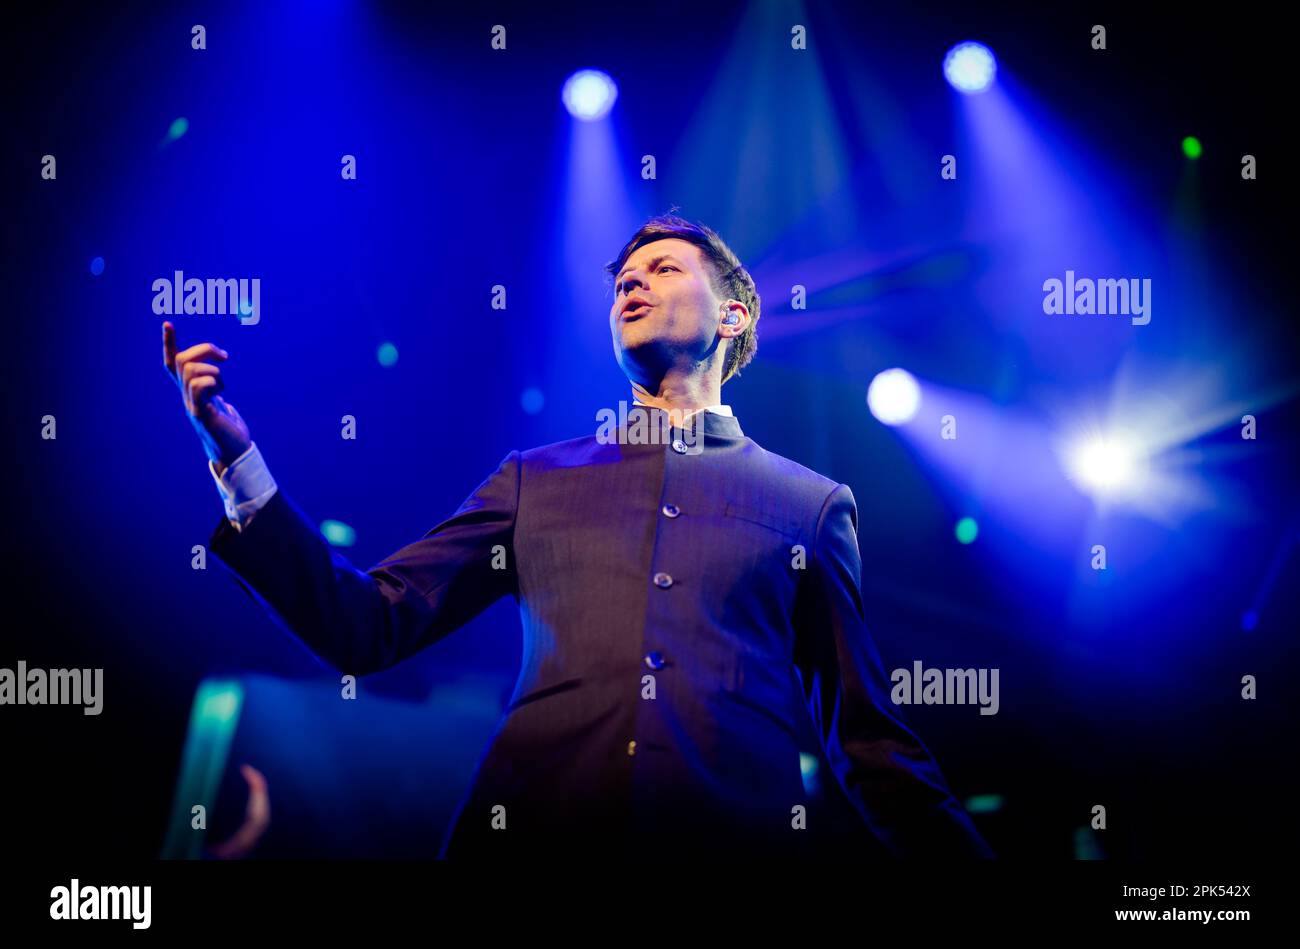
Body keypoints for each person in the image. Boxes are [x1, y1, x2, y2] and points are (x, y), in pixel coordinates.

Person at [162, 213, 994, 859]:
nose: (632, 286)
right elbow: (369, 624)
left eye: (662, 269)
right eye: (622, 280)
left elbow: (870, 741)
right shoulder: (535, 478)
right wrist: (239, 464)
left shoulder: (809, 504)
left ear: (734, 314)